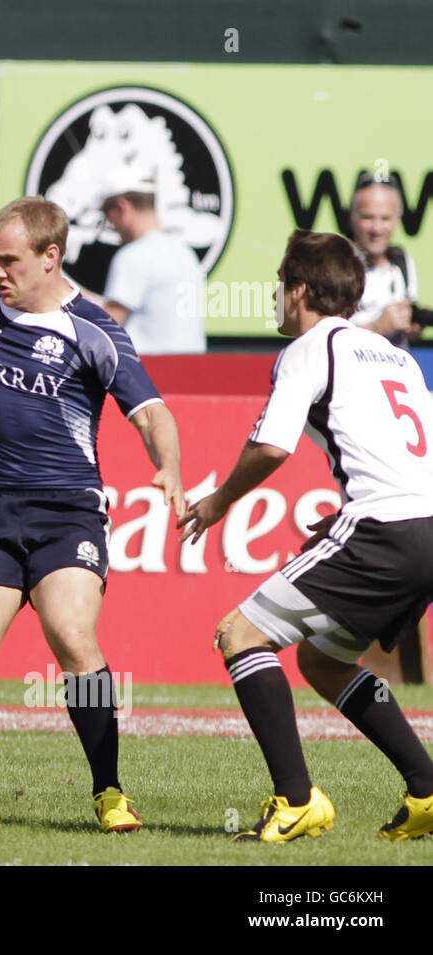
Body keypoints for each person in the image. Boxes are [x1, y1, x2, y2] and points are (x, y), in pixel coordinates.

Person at [180, 229, 433, 843]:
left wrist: (216, 501)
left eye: (278, 287)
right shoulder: (392, 353)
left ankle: (295, 801)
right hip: (424, 525)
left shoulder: (309, 347)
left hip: (384, 528)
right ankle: (426, 790)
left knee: (240, 634)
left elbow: (271, 446)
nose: (275, 299)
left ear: (297, 291)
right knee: (323, 659)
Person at [0, 197, 184, 832]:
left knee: (74, 641)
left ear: (51, 257)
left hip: (67, 512)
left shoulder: (95, 330)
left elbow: (153, 410)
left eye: (9, 260)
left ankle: (109, 791)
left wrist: (169, 466)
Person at [98, 167, 205, 355]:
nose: (108, 223)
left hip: (150, 373)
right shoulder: (186, 253)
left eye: (106, 211)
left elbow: (105, 324)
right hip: (192, 372)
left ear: (122, 207)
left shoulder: (134, 255)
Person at [348, 173, 423, 347]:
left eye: (385, 218)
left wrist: (412, 326)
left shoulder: (402, 261)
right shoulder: (335, 266)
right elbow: (322, 338)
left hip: (396, 371)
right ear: (352, 216)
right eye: (368, 217)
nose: (377, 228)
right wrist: (376, 327)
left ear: (398, 218)